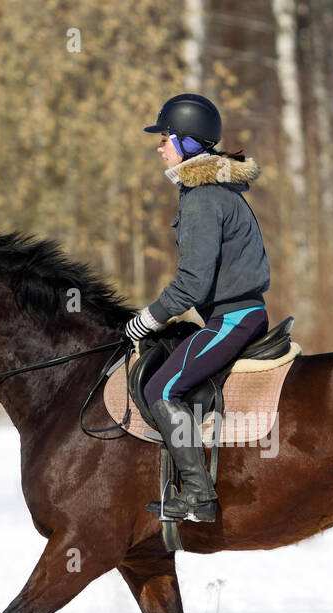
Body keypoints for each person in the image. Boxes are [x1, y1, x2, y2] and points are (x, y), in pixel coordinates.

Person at [125, 92, 271, 523]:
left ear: (188, 143)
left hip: (233, 318)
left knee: (160, 390)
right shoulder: (211, 191)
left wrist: (146, 319)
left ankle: (198, 495)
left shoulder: (204, 197)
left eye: (165, 137)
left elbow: (192, 283)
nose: (159, 146)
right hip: (232, 314)